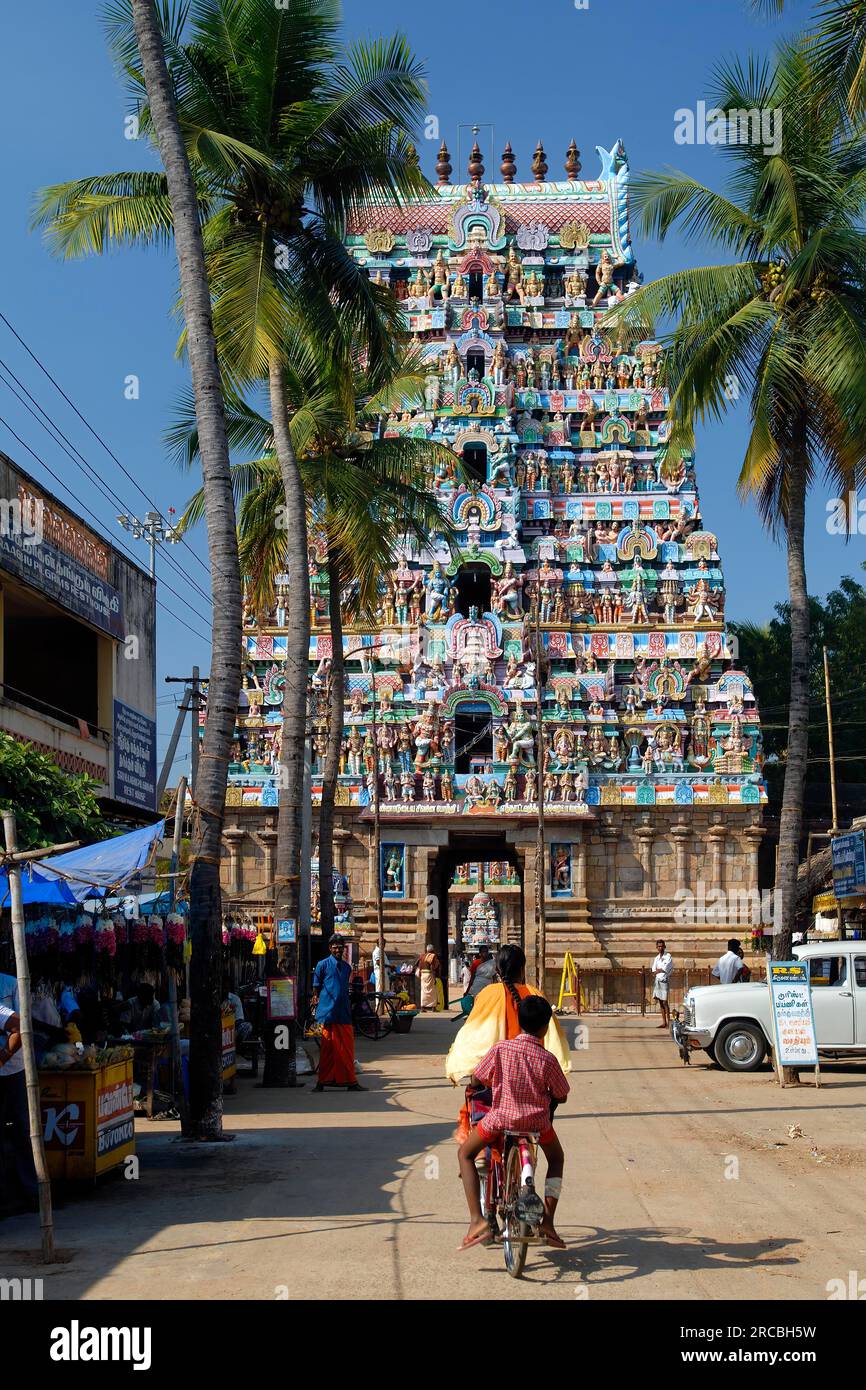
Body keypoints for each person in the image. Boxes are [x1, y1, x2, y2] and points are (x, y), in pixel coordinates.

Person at [457, 994, 569, 1251]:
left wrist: (476, 1083)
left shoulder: (501, 1049)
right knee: (557, 1158)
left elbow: (479, 1077)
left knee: (465, 1153)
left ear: (519, 1021)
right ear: (545, 1027)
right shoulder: (548, 1059)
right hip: (537, 1125)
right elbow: (562, 1093)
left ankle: (477, 1221)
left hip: (500, 1120)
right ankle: (548, 1223)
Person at [446, 944, 571, 1142]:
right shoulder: (535, 994)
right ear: (522, 969)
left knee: (475, 1094)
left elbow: (472, 1037)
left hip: (496, 1081)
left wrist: (464, 1066)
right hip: (533, 1085)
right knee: (554, 1153)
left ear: (497, 970)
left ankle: (481, 1154)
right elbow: (554, 1040)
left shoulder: (488, 994)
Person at [0, 975, 38, 1213]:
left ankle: (30, 1192)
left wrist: (3, 1057)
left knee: (24, 1131)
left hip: (14, 1070)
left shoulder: (10, 983)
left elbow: (21, 1025)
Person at [312, 936, 366, 1092]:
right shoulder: (322, 965)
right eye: (335, 947)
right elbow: (316, 988)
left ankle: (350, 1081)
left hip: (343, 1012)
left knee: (347, 1049)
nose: (338, 950)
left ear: (344, 948)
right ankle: (322, 1081)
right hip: (328, 1013)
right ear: (330, 948)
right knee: (327, 1049)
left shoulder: (347, 967)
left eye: (340, 947)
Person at [650, 939, 674, 1029]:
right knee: (660, 1001)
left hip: (664, 980)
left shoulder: (668, 956)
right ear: (657, 947)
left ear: (664, 946)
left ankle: (669, 1022)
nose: (660, 948)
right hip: (657, 980)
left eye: (661, 946)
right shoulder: (656, 958)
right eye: (658, 946)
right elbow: (653, 969)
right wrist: (658, 970)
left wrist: (659, 970)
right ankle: (664, 1022)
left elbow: (666, 967)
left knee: (665, 1001)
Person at [222, 977, 253, 1043]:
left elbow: (239, 1020)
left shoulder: (235, 999)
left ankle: (236, 1044)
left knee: (247, 1026)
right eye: (223, 988)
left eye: (226, 988)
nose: (224, 990)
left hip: (232, 1028)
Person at [416, 944, 440, 1012]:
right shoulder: (432, 956)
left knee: (423, 991)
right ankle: (433, 1007)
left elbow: (419, 965)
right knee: (432, 991)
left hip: (423, 974)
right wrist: (434, 977)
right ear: (432, 950)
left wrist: (420, 974)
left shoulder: (422, 956)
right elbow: (432, 967)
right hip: (429, 974)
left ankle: (423, 1007)